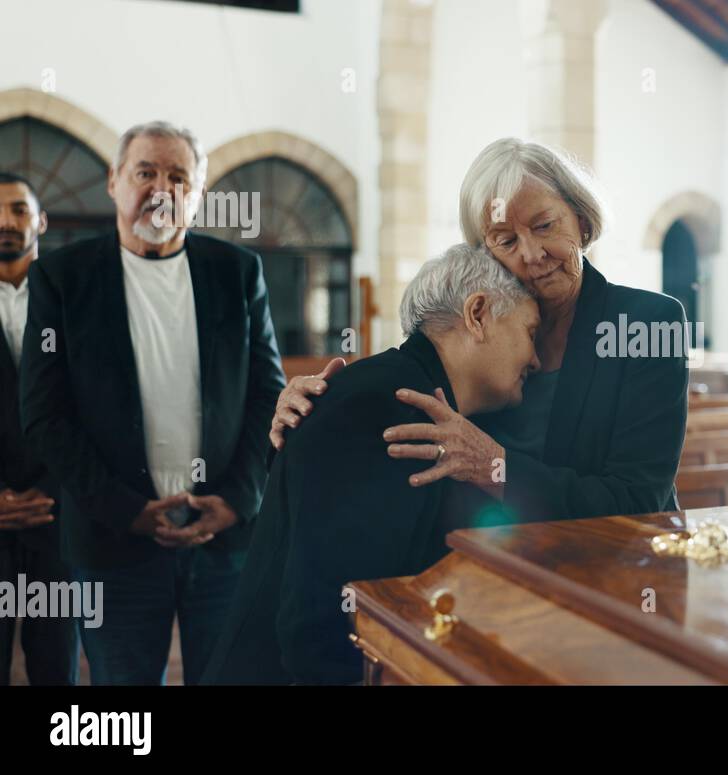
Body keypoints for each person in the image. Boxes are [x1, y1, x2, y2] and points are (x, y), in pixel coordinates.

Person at [272, 138, 689, 521]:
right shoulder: (477, 324)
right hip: (490, 570)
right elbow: (408, 386)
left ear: (581, 222)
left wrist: (496, 468)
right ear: (484, 255)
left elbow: (638, 502)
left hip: (616, 568)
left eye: (544, 225)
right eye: (505, 240)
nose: (532, 254)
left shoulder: (647, 323)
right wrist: (311, 407)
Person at [19, 122, 285, 684]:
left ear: (197, 196)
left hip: (224, 540)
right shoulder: (62, 279)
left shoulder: (236, 272)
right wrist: (127, 510)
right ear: (115, 181)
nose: (161, 188)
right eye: (145, 172)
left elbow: (268, 396)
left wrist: (237, 499)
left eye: (178, 177)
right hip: (113, 543)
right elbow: (46, 414)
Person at [203, 243, 540, 684]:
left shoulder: (404, 393)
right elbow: (325, 616)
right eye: (531, 332)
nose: (535, 359)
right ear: (477, 314)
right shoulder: (383, 405)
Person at [0, 172, 77, 685]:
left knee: (57, 667)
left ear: (41, 221)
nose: (6, 222)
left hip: (60, 513)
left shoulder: (73, 300)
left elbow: (91, 406)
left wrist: (54, 491)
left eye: (19, 210)